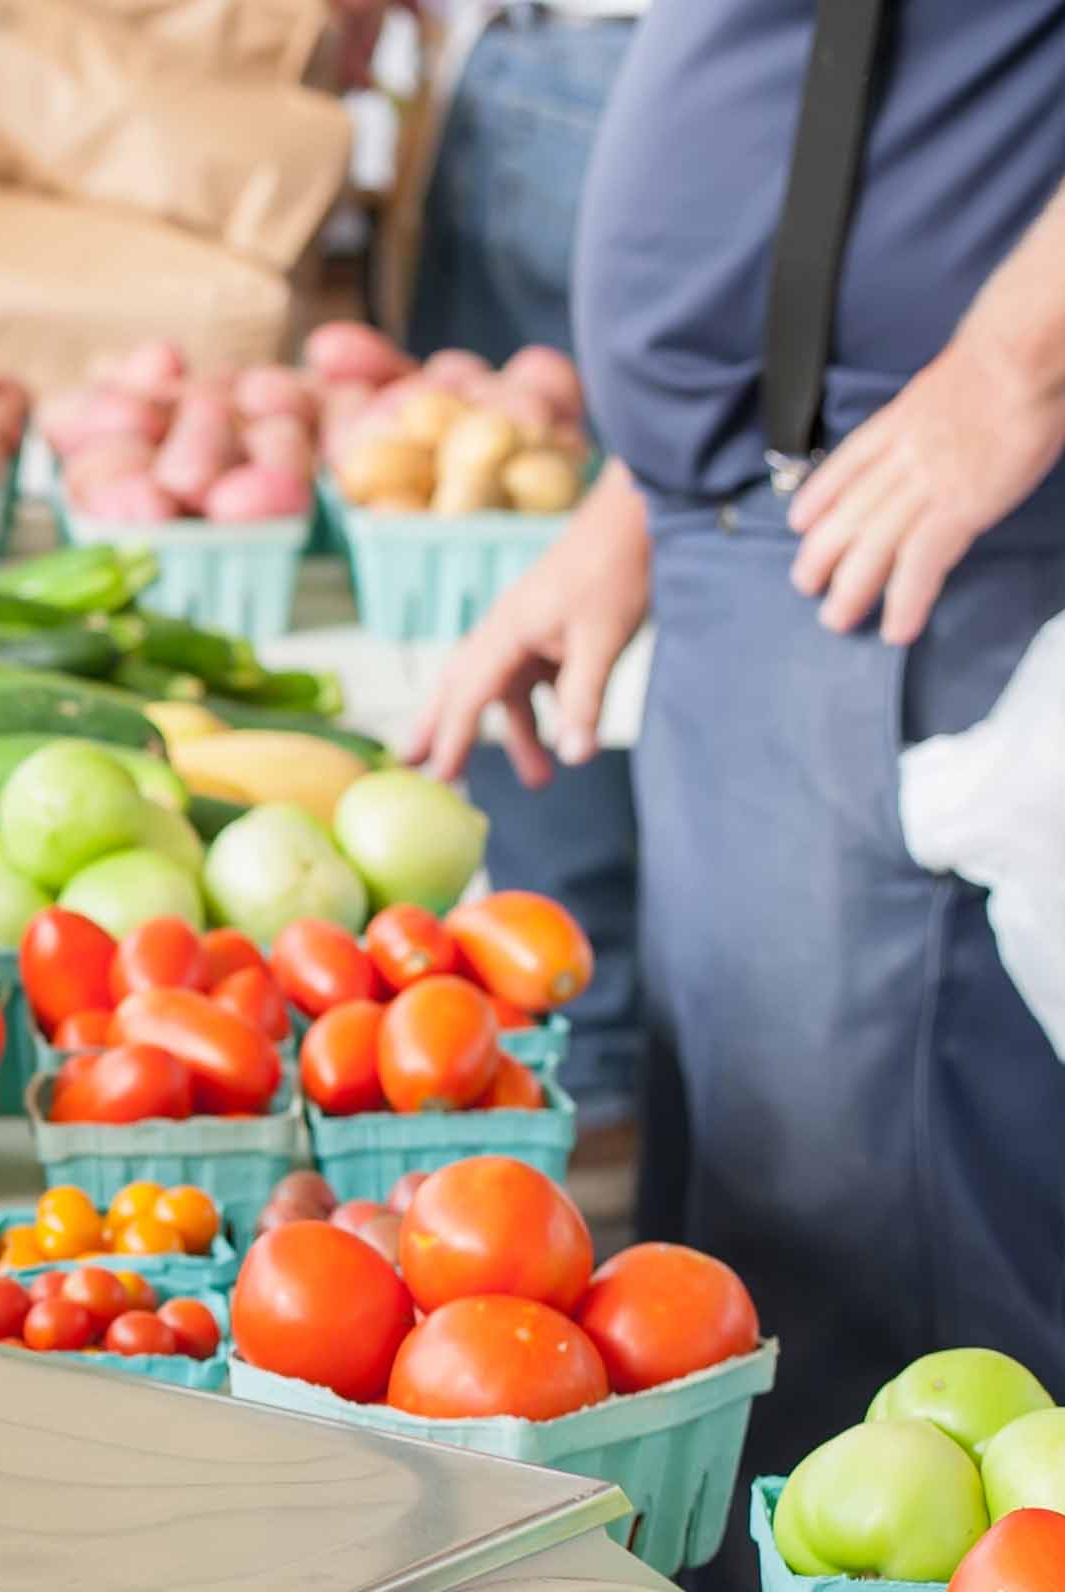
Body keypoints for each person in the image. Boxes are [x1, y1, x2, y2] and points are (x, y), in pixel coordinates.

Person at [418, 0, 1065, 1592]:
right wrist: (658, 486)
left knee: (884, 1319)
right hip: (794, 522)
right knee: (758, 1274)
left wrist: (1009, 362)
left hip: (939, 532)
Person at [385, 1, 650, 1129]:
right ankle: (588, 1062)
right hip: (557, 54)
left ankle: (583, 1064)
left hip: (600, 59)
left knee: (559, 570)